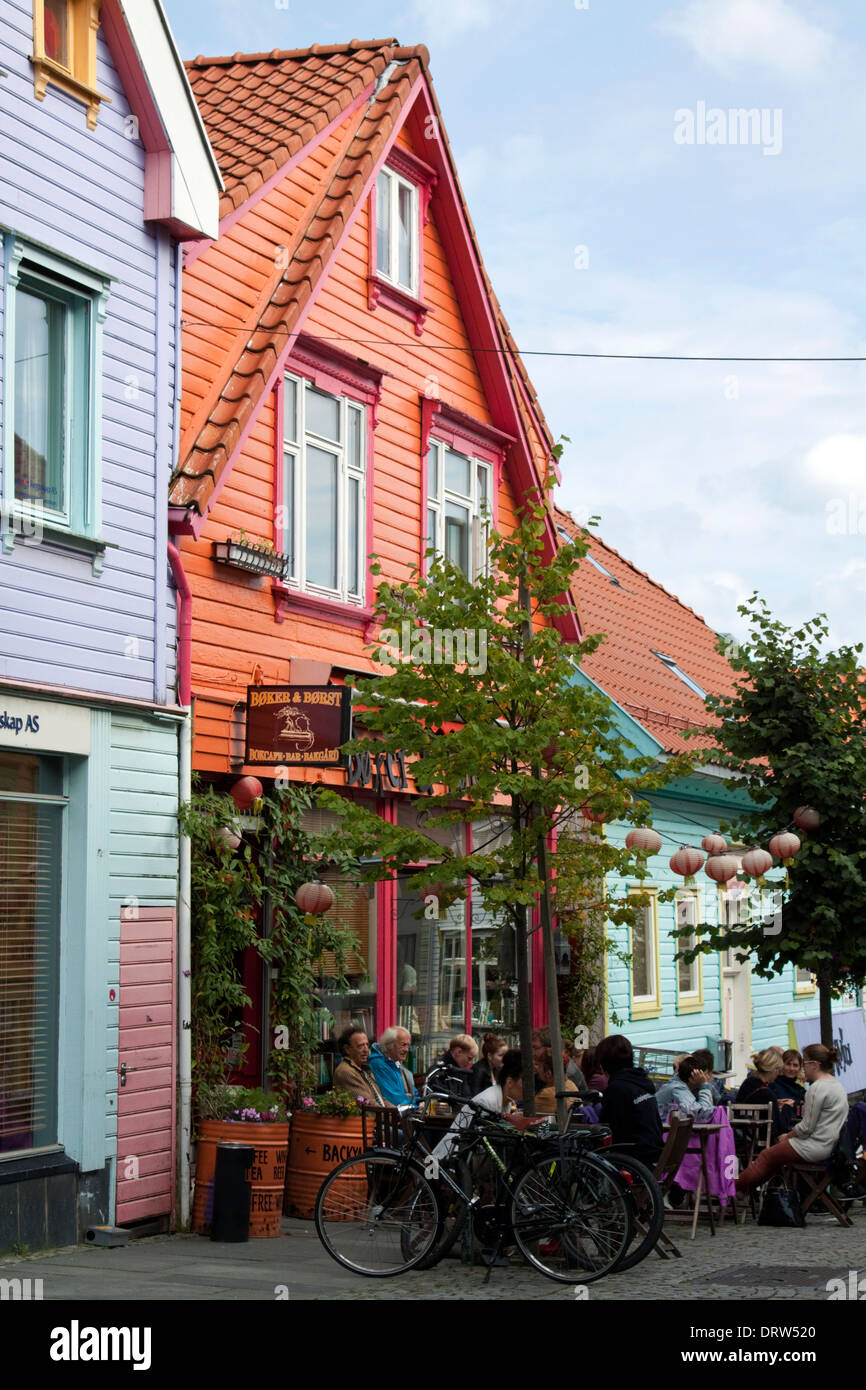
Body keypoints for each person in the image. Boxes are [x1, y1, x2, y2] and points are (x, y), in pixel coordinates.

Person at [735, 1043, 850, 1193]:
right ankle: (747, 1191)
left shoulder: (816, 1088)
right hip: (830, 1146)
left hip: (814, 1147)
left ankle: (733, 1188)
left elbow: (806, 1127)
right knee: (774, 1159)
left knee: (766, 1156)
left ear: (814, 1065)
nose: (802, 1069)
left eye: (804, 1064)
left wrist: (787, 1137)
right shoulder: (836, 1085)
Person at [432, 1049, 524, 1160]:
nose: (529, 1087)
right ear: (509, 1082)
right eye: (524, 1081)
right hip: (455, 1158)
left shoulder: (505, 1100)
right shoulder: (489, 1101)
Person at [597, 1034, 664, 1166]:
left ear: (605, 1063)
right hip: (652, 1152)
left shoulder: (618, 1088)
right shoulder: (642, 1082)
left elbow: (608, 1127)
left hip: (632, 1156)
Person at [734, 1047, 785, 1138]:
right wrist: (786, 1109)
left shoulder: (747, 1083)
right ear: (774, 1070)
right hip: (761, 1141)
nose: (779, 1074)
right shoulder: (767, 1094)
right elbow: (777, 1129)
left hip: (742, 1136)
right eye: (779, 1071)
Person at [333, 1026, 385, 1106]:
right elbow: (369, 1104)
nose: (366, 1050)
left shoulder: (363, 1068)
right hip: (369, 1117)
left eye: (367, 1045)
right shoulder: (345, 1072)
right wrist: (392, 1116)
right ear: (347, 1049)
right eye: (360, 1046)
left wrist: (399, 1111)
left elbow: (381, 1099)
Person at [368, 1025, 419, 1107]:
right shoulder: (378, 1064)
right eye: (403, 1045)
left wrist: (420, 1102)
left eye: (408, 1045)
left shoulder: (396, 1063)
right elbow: (393, 1098)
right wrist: (415, 1106)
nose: (406, 1049)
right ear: (389, 1045)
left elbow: (413, 1093)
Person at [654, 1055, 714, 1120]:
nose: (708, 1078)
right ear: (692, 1078)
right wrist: (704, 1085)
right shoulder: (677, 1088)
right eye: (704, 1075)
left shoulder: (679, 1084)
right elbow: (703, 1113)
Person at [425, 1033, 478, 1101]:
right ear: (459, 1052)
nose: (470, 1062)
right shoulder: (437, 1071)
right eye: (469, 1058)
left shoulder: (461, 1072)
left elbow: (467, 1097)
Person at [534, 1049, 579, 1115]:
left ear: (548, 1074)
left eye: (538, 1065)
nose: (536, 1069)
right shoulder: (571, 1085)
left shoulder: (545, 1094)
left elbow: (527, 1112)